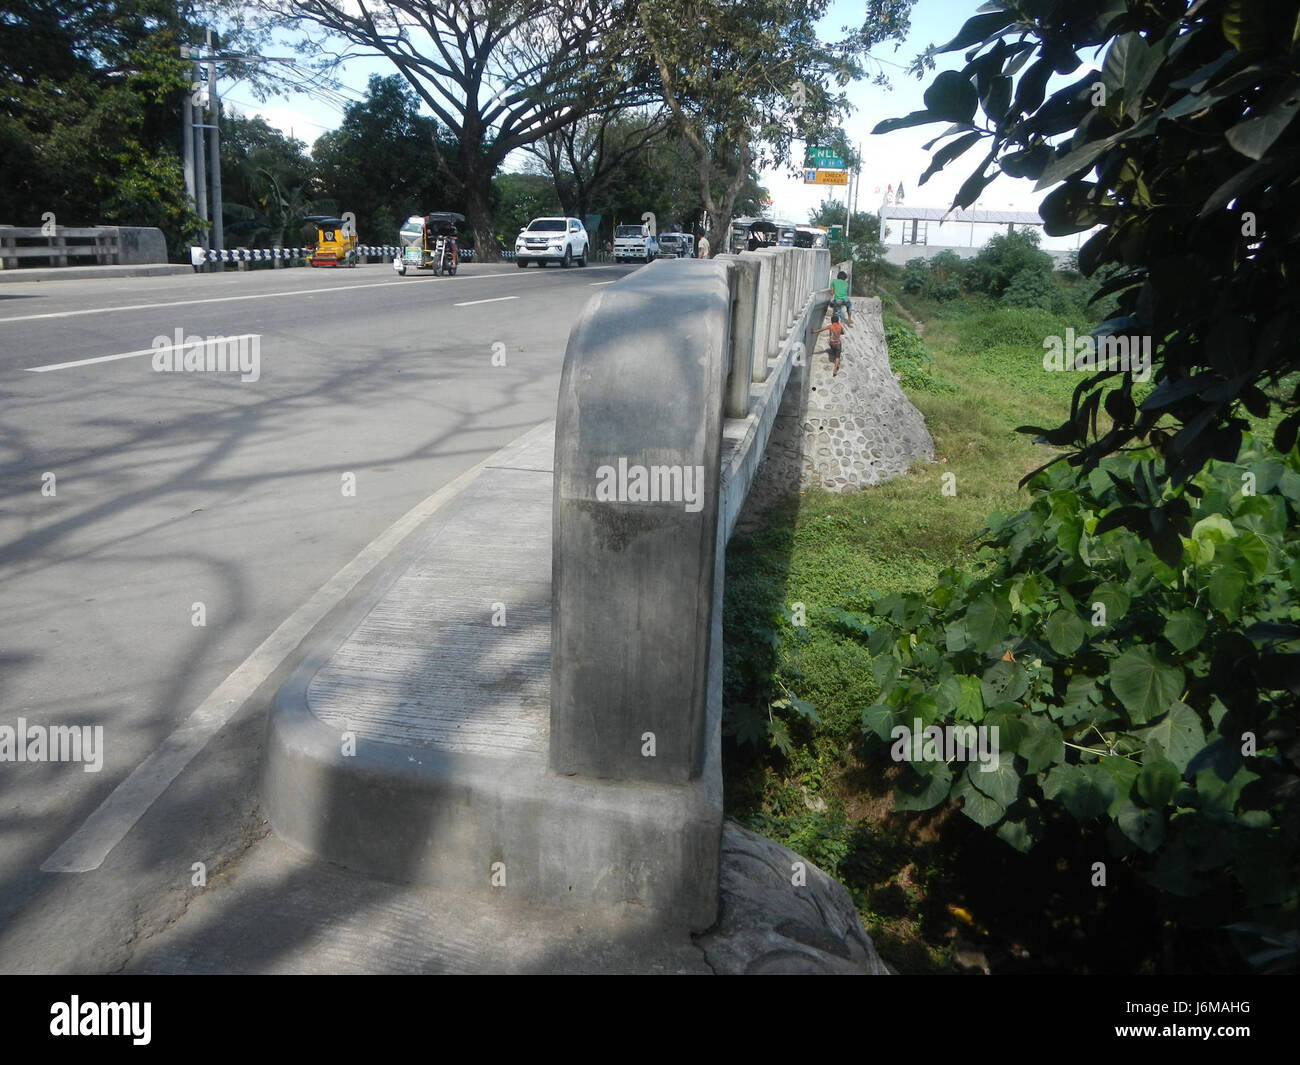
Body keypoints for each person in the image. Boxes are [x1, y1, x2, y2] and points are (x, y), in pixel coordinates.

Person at [814, 312, 844, 376]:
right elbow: (842, 333)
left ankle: (833, 351)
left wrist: (814, 332)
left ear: (832, 321)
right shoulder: (840, 326)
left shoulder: (830, 326)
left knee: (832, 347)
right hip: (838, 343)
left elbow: (821, 330)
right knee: (837, 356)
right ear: (838, 321)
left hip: (832, 343)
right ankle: (835, 368)